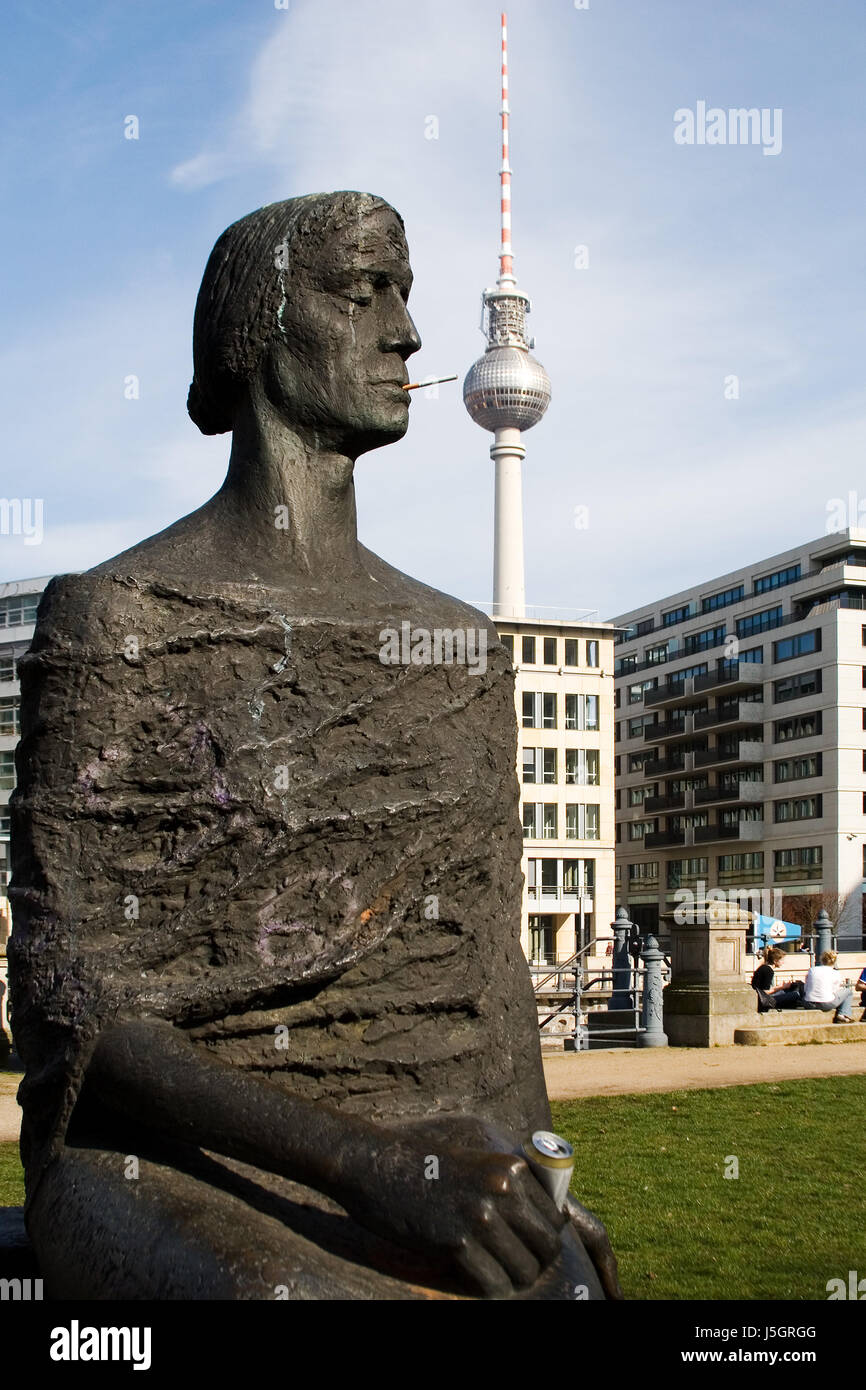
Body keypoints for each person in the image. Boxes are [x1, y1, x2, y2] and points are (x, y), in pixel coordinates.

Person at [9, 191, 619, 1302]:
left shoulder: (456, 646)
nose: (408, 332)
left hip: (436, 1140)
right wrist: (365, 1163)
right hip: (177, 1152)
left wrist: (544, 1176)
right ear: (254, 331)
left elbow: (488, 966)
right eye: (361, 291)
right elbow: (73, 1001)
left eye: (407, 293)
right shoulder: (119, 617)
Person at [803, 950, 855, 1023]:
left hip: (808, 1003)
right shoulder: (836, 973)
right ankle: (842, 1014)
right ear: (834, 961)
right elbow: (834, 991)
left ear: (821, 959)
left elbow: (806, 988)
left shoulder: (812, 970)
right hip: (826, 1004)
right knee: (848, 991)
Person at [750, 947, 805, 1013]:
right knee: (795, 994)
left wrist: (781, 987)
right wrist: (781, 987)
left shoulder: (764, 968)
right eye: (782, 960)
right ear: (775, 961)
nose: (783, 962)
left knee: (788, 990)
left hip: (760, 997)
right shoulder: (768, 971)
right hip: (763, 1000)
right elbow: (765, 992)